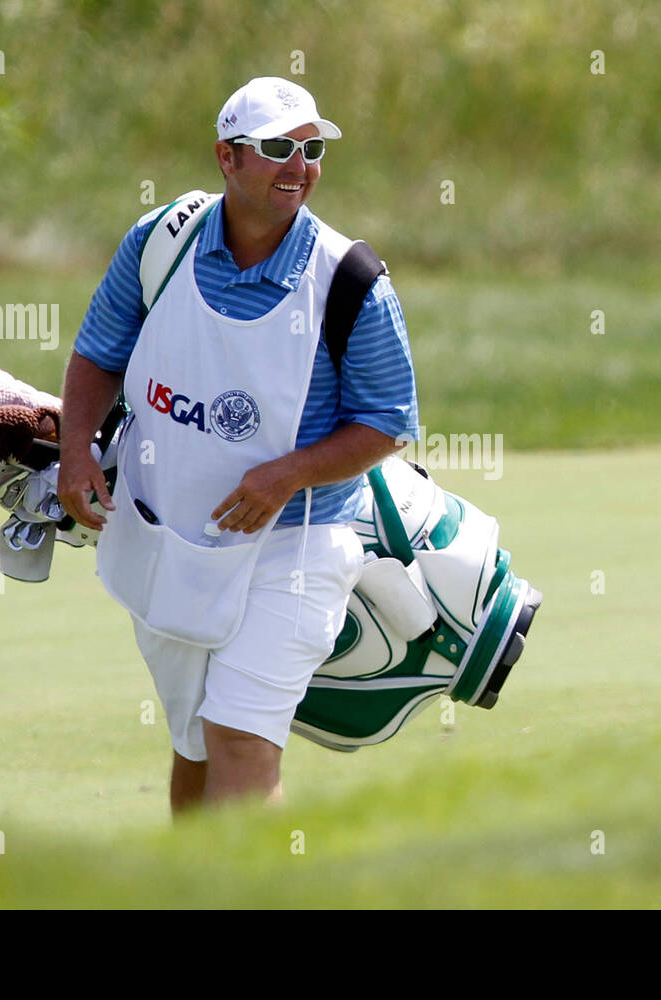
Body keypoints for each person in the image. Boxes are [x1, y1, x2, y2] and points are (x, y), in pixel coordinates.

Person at [57, 77, 419, 811]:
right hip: (171, 535)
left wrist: (286, 475)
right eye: (280, 148)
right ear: (227, 157)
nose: (301, 166)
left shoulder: (351, 281)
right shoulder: (164, 239)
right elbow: (100, 353)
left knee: (240, 742)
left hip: (298, 543)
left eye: (313, 149)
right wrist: (75, 452)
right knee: (195, 743)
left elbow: (386, 422)